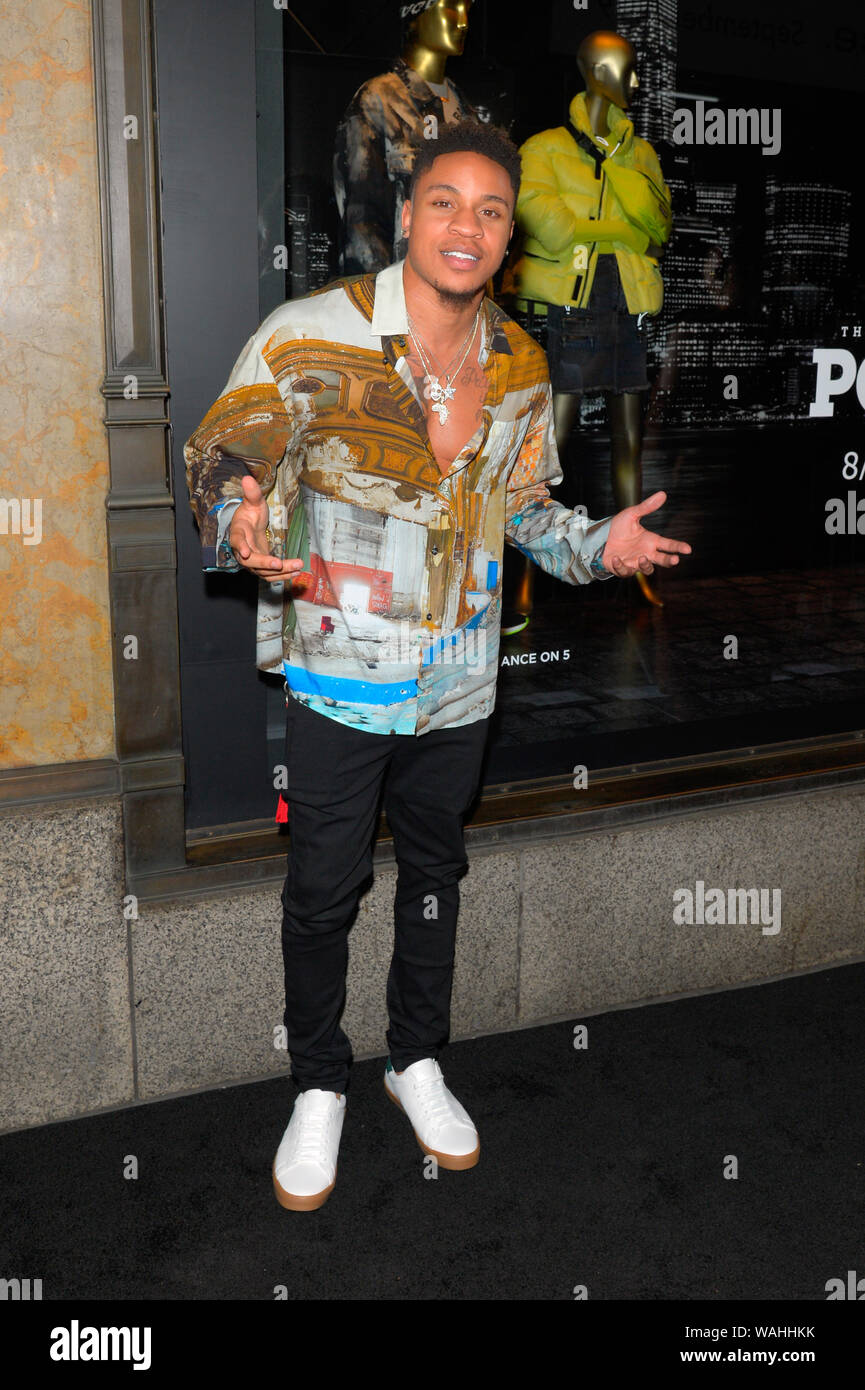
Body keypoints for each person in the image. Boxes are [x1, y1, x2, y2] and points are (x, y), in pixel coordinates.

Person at [183, 120, 691, 1212]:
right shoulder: (308, 335)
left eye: (492, 210)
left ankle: (416, 1060)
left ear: (509, 239)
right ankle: (318, 1079)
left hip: (460, 684)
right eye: (446, 202)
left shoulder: (518, 360)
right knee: (322, 891)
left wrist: (595, 545)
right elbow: (225, 455)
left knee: (435, 875)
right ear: (405, 216)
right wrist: (238, 514)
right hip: (339, 679)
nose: (467, 225)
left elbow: (525, 510)